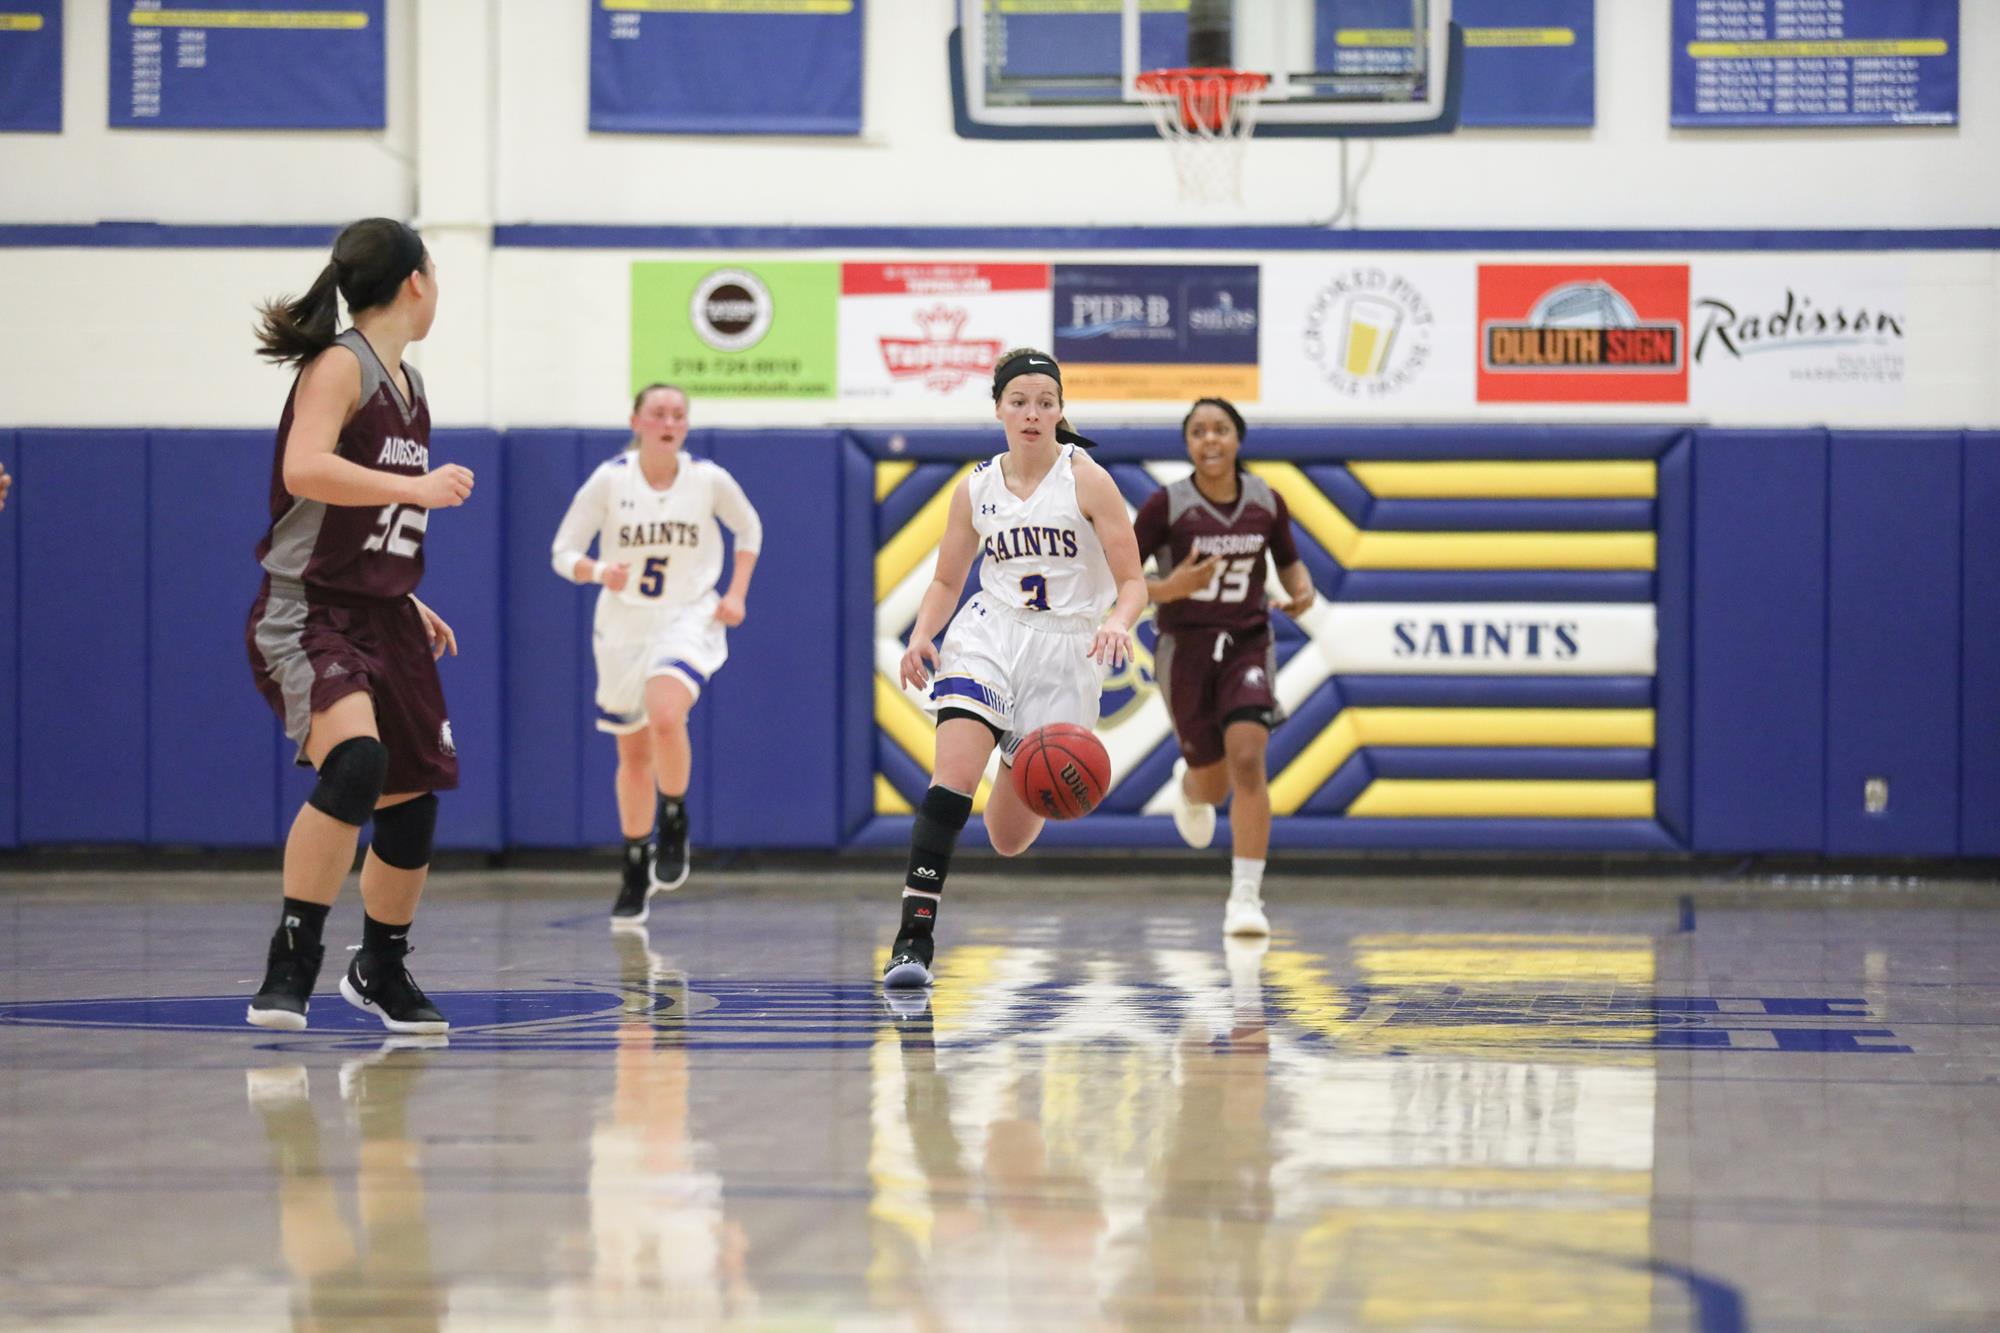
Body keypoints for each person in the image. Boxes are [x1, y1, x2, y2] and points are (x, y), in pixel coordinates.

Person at [243, 217, 474, 1034]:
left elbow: (358, 515)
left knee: (412, 801)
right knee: (357, 763)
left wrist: (402, 594)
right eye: (437, 272)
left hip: (383, 609)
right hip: (308, 608)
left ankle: (381, 963)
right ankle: (293, 957)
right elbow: (304, 468)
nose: (438, 287)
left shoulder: (410, 385)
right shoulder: (340, 366)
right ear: (415, 281)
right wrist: (414, 489)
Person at [885, 347, 1147, 988]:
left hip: (1067, 650)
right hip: (990, 634)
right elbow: (948, 580)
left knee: (1009, 836)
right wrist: (923, 634)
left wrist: (1117, 622)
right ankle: (912, 941)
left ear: (1060, 410)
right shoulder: (974, 487)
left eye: (1046, 402)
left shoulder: (1087, 478)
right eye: (1020, 401)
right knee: (951, 779)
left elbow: (1134, 580)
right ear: (999, 408)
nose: (1033, 413)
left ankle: (1015, 749)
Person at [550, 384, 762, 925]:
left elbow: (749, 527)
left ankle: (674, 818)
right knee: (632, 755)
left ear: (685, 425)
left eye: (678, 414)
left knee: (667, 714)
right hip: (622, 624)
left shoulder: (708, 479)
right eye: (658, 413)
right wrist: (599, 571)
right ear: (637, 421)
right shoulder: (610, 479)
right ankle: (634, 860)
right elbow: (562, 552)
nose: (669, 421)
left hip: (688, 615)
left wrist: (736, 592)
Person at [1131, 397, 1316, 936]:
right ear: (1188, 443)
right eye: (1198, 431)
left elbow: (1290, 563)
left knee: (1249, 756)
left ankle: (1245, 899)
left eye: (1220, 429)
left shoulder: (1266, 501)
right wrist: (1172, 588)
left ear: (1238, 438)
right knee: (1212, 785)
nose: (1209, 439)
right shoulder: (1165, 506)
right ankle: (1189, 787)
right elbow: (1122, 581)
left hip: (1247, 644)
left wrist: (1301, 592)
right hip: (1184, 650)